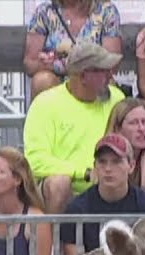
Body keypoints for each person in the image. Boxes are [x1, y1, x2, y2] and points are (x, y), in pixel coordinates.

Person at [23, 42, 126, 214]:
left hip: (108, 182)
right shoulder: (45, 104)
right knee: (59, 183)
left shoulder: (116, 98)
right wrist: (84, 173)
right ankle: (53, 240)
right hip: (66, 189)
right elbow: (35, 160)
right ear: (83, 76)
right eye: (103, 70)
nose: (111, 75)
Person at [59, 134, 145, 255]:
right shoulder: (77, 208)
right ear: (94, 166)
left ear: (131, 166)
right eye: (102, 161)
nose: (108, 169)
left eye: (116, 161)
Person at [23, 0, 123, 98]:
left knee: (106, 82)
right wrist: (46, 63)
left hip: (93, 77)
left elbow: (112, 64)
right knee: (42, 80)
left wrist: (58, 65)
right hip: (56, 81)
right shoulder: (44, 11)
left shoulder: (107, 11)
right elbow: (29, 63)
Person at [106, 98, 145, 187]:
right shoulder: (107, 161)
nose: (141, 128)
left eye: (144, 122)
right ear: (117, 129)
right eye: (133, 123)